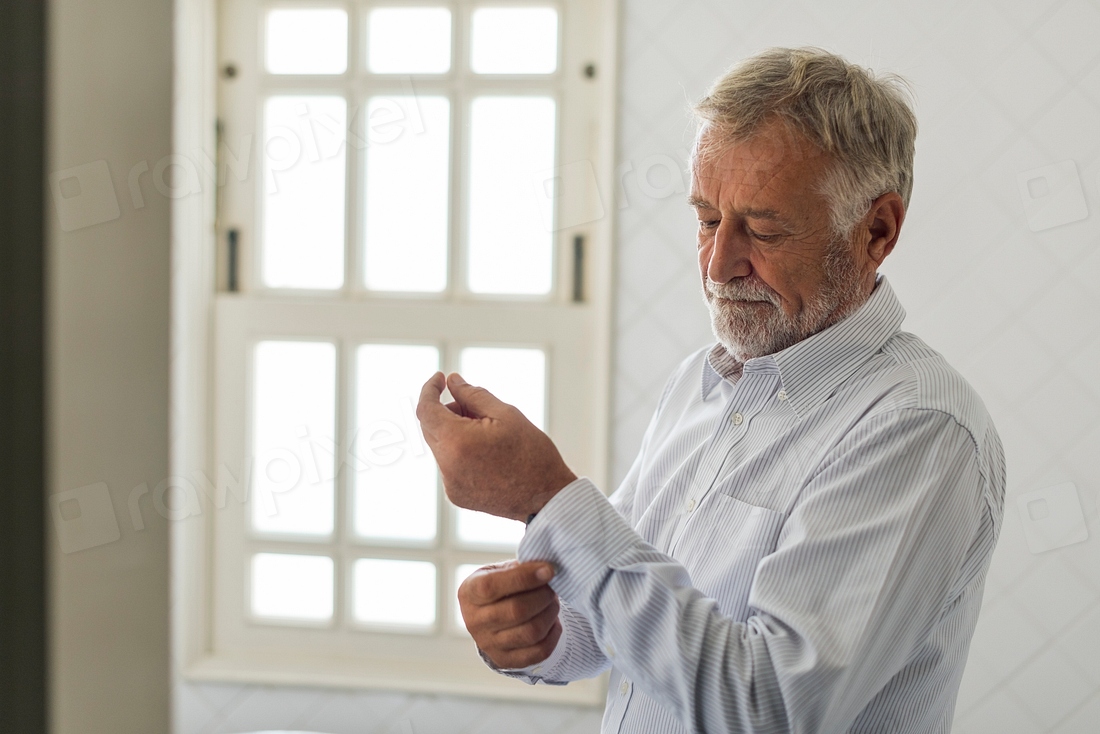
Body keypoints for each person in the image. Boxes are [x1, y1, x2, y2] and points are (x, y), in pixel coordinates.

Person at [417, 47, 1005, 733]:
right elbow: (624, 620)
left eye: (763, 229)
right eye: (705, 220)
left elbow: (768, 710)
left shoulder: (917, 427)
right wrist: (539, 632)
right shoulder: (703, 383)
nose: (719, 264)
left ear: (877, 231)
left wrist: (546, 497)